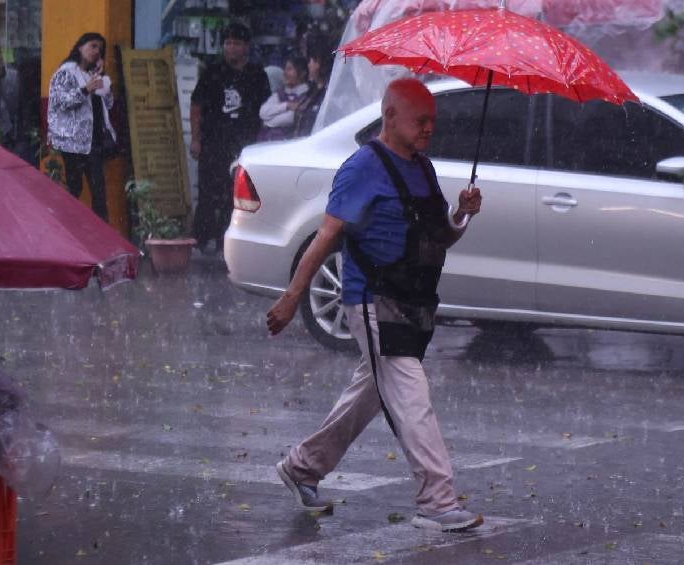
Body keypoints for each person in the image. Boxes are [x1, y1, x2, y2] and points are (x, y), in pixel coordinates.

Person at [266, 78, 485, 532]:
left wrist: (461, 213)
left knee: (368, 394)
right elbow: (326, 236)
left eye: (432, 122)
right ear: (390, 116)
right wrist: (291, 298)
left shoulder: (421, 168)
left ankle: (302, 467)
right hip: (370, 299)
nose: (429, 129)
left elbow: (439, 234)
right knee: (410, 394)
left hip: (411, 301)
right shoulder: (363, 167)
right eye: (420, 120)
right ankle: (437, 500)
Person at [189, 23, 271, 254]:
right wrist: (196, 139)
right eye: (227, 43)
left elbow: (267, 110)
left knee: (235, 195)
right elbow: (196, 106)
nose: (230, 48)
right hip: (213, 142)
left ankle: (230, 243)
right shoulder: (212, 73)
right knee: (207, 192)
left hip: (244, 145)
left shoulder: (257, 74)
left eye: (236, 43)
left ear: (246, 46)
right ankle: (201, 240)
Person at [47, 32, 117, 222]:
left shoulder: (91, 74)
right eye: (92, 46)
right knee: (74, 189)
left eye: (100, 49)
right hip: (73, 142)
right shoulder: (66, 72)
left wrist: (104, 82)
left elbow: (107, 105)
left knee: (99, 193)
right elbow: (59, 102)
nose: (96, 51)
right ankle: (70, 232)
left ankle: (101, 239)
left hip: (93, 141)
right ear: (80, 47)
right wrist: (85, 89)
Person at [257, 56, 310, 142]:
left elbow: (291, 118)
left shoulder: (307, 96)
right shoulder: (279, 94)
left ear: (303, 73)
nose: (284, 73)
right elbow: (263, 113)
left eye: (289, 69)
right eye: (285, 69)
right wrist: (287, 106)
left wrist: (267, 122)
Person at [293, 47, 334, 137]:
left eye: (311, 61)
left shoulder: (330, 94)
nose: (308, 65)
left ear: (318, 64)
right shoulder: (311, 91)